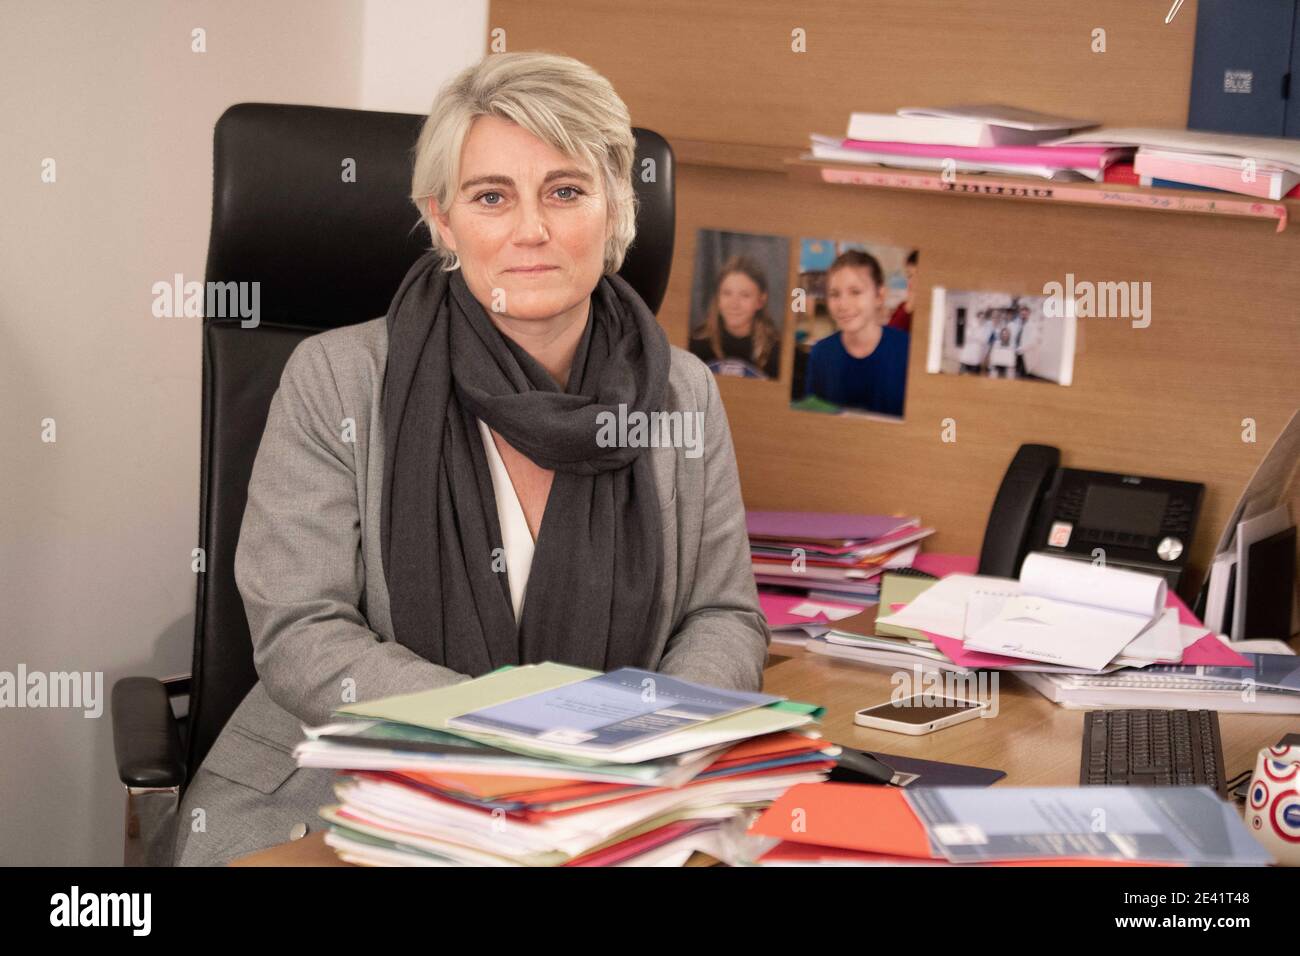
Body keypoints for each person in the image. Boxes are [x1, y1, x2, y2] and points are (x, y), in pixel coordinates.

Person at [173, 51, 770, 866]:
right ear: (444, 220)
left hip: (611, 806)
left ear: (617, 210)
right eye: (493, 197)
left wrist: (650, 727)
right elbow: (302, 634)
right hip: (341, 802)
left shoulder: (683, 396)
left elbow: (723, 616)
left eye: (566, 191)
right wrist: (520, 733)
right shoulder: (338, 378)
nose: (532, 230)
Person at [802, 249, 909, 417]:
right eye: (834, 294)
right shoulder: (820, 354)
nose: (843, 304)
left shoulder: (907, 350)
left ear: (879, 296)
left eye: (855, 292)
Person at [688, 255, 781, 379]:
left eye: (745, 295)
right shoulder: (695, 343)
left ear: (760, 301)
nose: (734, 304)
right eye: (727, 293)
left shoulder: (777, 351)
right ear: (718, 298)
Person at [885, 249, 918, 334]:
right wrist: (908, 308)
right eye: (909, 276)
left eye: (918, 275)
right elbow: (890, 337)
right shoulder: (903, 308)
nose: (912, 282)